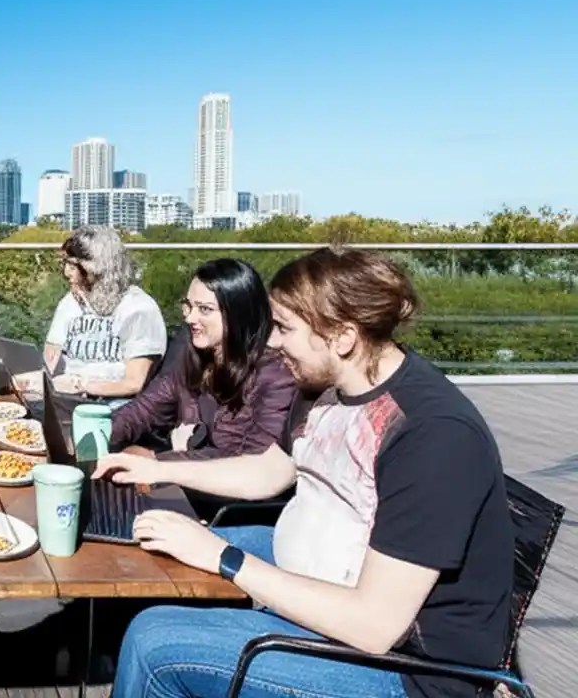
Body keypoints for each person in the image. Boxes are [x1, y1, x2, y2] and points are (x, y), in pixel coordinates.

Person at [97, 247, 513, 698]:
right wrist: (155, 467)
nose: (273, 343)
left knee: (154, 642)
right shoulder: (328, 390)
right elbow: (267, 473)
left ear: (343, 337)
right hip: (324, 573)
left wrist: (225, 558)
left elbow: (374, 625)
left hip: (404, 668)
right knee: (155, 549)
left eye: (285, 328)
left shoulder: (433, 434)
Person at [108, 258, 298, 459]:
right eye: (188, 306)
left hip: (226, 476)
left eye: (204, 309)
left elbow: (253, 460)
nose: (190, 318)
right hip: (182, 469)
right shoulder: (192, 359)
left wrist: (157, 461)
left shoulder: (274, 376)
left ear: (237, 313)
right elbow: (142, 412)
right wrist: (97, 432)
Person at [44, 225, 167, 402]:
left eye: (73, 265)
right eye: (66, 264)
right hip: (66, 398)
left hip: (114, 406)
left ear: (96, 267)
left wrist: (81, 386)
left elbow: (134, 383)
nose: (66, 272)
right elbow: (50, 360)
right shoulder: (70, 302)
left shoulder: (139, 308)